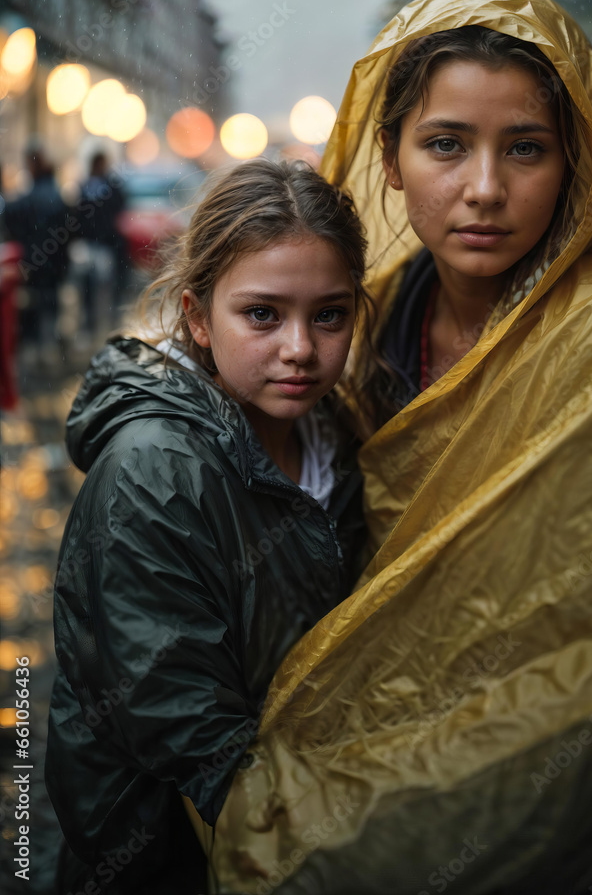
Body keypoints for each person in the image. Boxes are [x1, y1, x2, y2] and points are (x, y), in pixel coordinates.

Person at [205, 0, 592, 894]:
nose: (485, 191)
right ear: (388, 157)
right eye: (446, 145)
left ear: (573, 161)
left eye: (527, 149)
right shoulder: (365, 321)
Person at [45, 158, 370, 894]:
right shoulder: (151, 472)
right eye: (262, 314)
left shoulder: (339, 437)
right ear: (197, 316)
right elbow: (186, 727)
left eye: (330, 314)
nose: (299, 348)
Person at [4, 146, 68, 359]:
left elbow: (13, 222)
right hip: (53, 263)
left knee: (34, 309)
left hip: (34, 263)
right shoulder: (56, 194)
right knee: (50, 307)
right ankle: (48, 352)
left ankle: (37, 353)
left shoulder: (29, 197)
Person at [76, 150, 128, 337]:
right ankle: (98, 323)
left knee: (100, 285)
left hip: (101, 243)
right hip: (98, 243)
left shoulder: (92, 186)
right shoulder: (101, 186)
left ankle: (100, 323)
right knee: (94, 285)